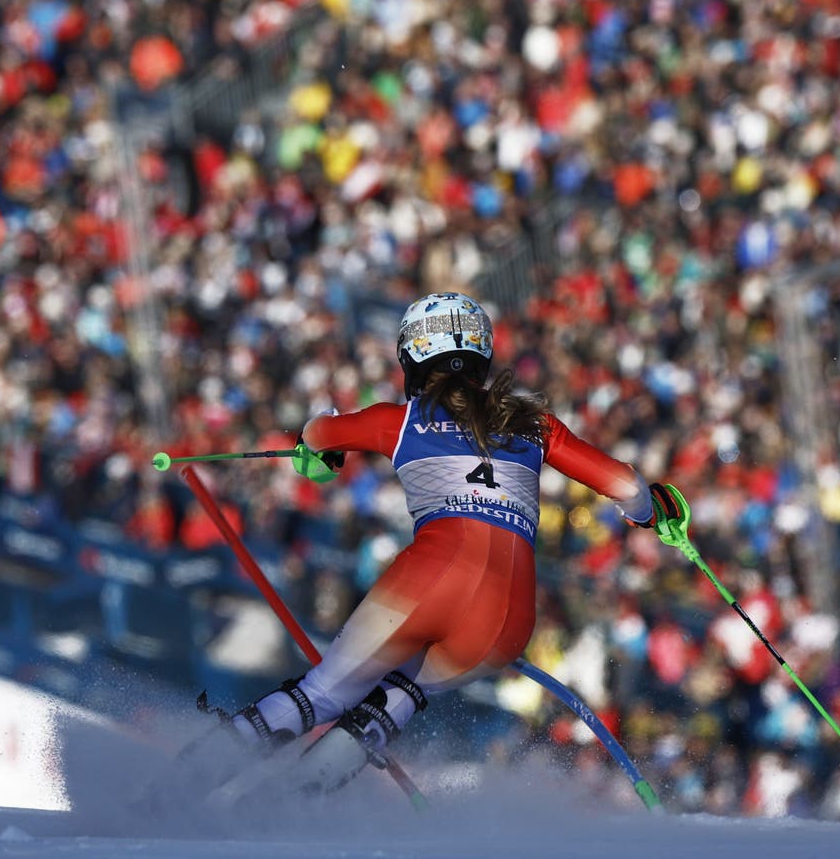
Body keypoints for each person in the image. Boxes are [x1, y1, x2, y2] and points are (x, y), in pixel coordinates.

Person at [201, 291, 688, 799]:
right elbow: (630, 489)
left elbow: (318, 434)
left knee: (323, 693)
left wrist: (319, 442)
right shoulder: (536, 425)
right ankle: (286, 812)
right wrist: (655, 512)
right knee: (403, 690)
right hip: (507, 619)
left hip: (429, 581)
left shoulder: (403, 419)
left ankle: (177, 790)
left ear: (411, 355)